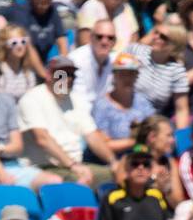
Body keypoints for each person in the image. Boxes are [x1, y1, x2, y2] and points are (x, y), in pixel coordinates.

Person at [0, 56, 61, 190]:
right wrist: (2, 174)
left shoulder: (7, 101)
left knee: (55, 182)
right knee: (6, 188)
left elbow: (17, 146)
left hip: (12, 165)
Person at [17, 56, 118, 185]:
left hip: (75, 165)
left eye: (71, 75)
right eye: (62, 74)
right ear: (49, 75)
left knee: (119, 174)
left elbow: (92, 136)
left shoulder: (77, 100)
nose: (68, 79)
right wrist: (72, 165)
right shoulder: (32, 99)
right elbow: (43, 139)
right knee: (79, 182)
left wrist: (113, 162)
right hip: (44, 167)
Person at [128, 22, 192, 127]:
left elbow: (181, 109)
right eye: (156, 33)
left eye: (163, 37)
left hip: (150, 123)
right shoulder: (135, 51)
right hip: (124, 112)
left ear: (174, 45)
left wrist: (181, 135)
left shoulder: (177, 71)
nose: (156, 37)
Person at [93, 50, 156, 155]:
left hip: (139, 158)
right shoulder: (102, 105)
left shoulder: (142, 102)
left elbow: (155, 127)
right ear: (114, 75)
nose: (128, 79)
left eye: (131, 74)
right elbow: (103, 144)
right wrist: (135, 141)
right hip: (108, 161)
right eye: (123, 74)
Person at [70, 13, 118, 107]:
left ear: (115, 42)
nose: (104, 42)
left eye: (110, 38)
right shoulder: (75, 60)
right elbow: (76, 99)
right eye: (99, 37)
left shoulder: (116, 61)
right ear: (91, 38)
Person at [6, 0, 70, 68]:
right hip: (23, 66)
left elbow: (62, 39)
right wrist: (45, 75)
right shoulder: (21, 10)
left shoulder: (53, 10)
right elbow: (28, 45)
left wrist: (63, 67)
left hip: (44, 62)